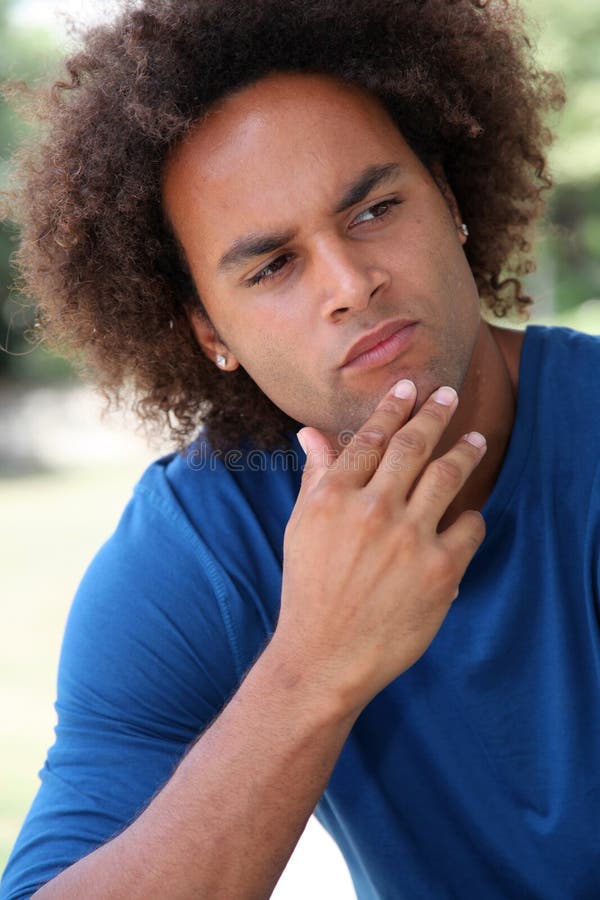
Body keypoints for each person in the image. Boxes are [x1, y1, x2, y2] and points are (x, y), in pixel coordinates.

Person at [2, 0, 599, 897]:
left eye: (373, 209)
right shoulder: (202, 548)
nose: (351, 283)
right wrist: (314, 668)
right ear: (210, 332)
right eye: (273, 265)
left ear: (448, 199)